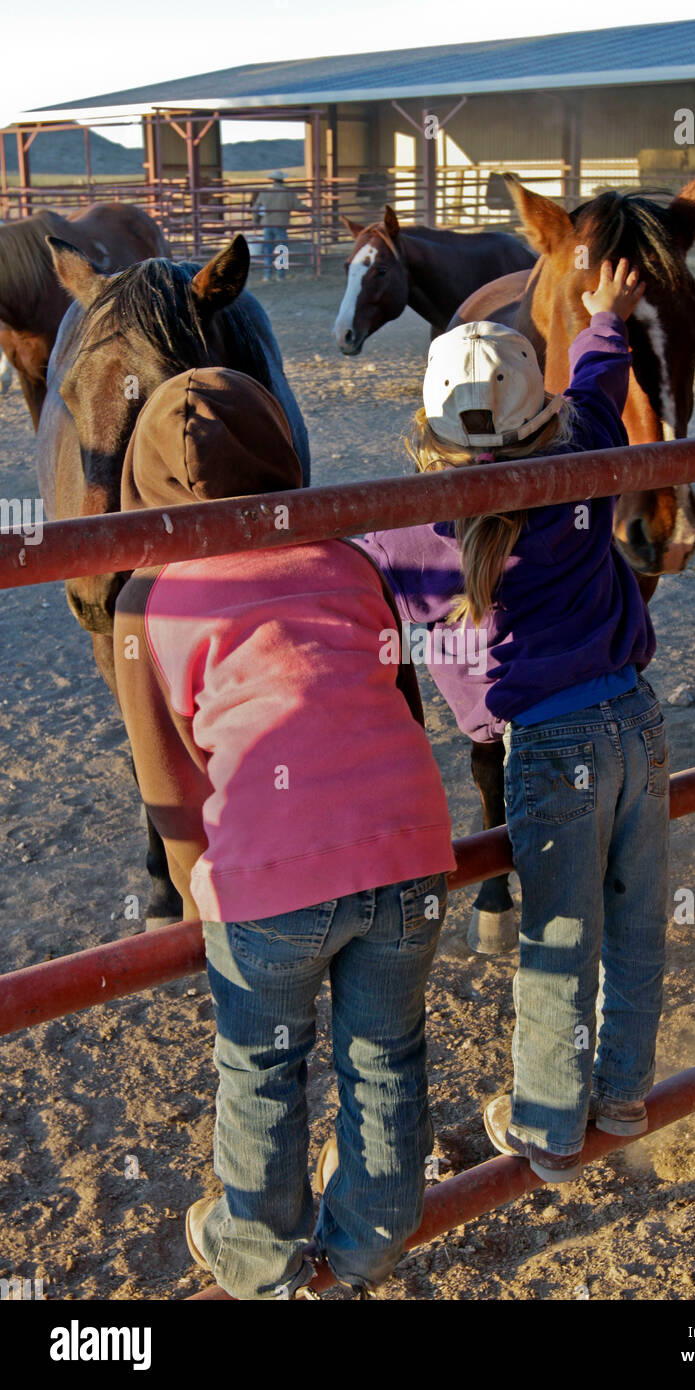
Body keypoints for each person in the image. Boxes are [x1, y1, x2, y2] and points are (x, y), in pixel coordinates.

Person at [113, 366, 455, 1297]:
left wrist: (193, 894)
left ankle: (260, 1251)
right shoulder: (346, 557)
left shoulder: (147, 600)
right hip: (410, 846)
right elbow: (402, 699)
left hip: (272, 875)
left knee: (262, 1070)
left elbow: (169, 777)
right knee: (385, 1054)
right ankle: (367, 1241)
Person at [359, 258, 670, 1184]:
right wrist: (605, 317)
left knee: (557, 942)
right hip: (637, 719)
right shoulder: (583, 456)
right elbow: (602, 387)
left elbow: (345, 565)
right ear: (543, 416)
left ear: (429, 434)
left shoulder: (412, 532)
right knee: (637, 924)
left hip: (548, 747)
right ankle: (621, 1096)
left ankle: (545, 1126)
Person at [253, 171, 307, 282]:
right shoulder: (288, 193)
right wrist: (309, 208)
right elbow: (298, 206)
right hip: (281, 224)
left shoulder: (265, 193)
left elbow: (256, 208)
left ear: (273, 180)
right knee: (282, 249)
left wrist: (255, 221)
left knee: (268, 249)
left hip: (267, 223)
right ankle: (280, 276)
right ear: (283, 180)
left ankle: (267, 275)